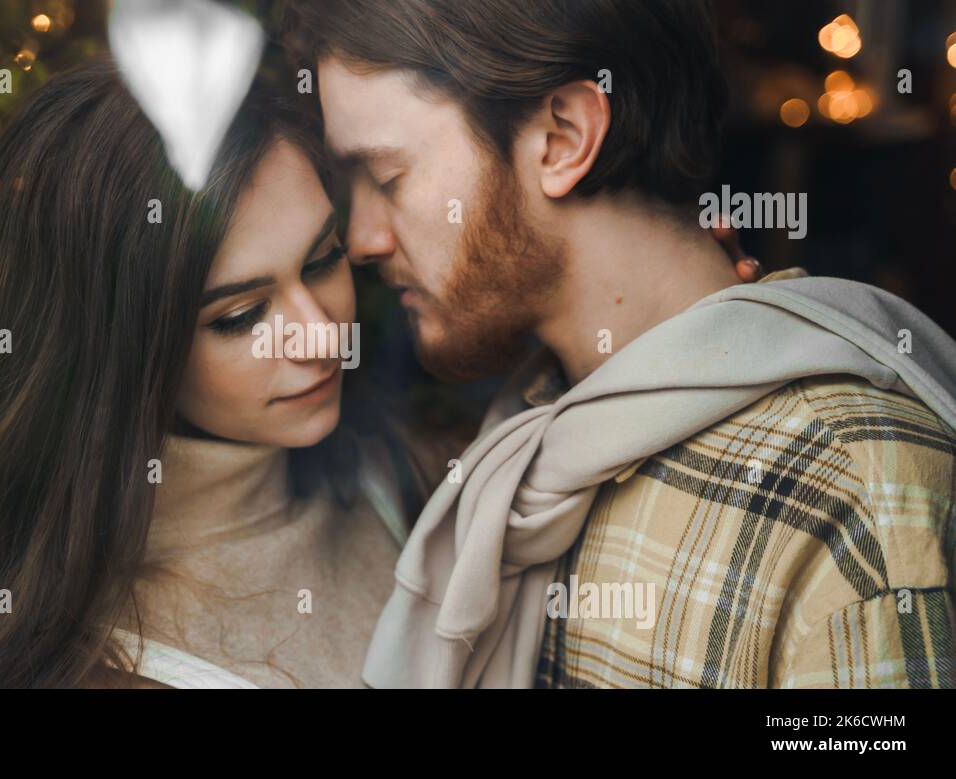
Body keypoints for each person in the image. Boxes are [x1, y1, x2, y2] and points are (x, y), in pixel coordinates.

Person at [0, 48, 767, 689]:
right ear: (122, 352)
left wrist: (686, 321)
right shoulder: (98, 657)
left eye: (323, 261)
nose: (319, 334)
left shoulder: (401, 467)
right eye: (241, 315)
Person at [287, 0, 956, 688]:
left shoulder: (852, 503)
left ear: (563, 137)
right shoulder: (530, 435)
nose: (363, 237)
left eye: (388, 178)